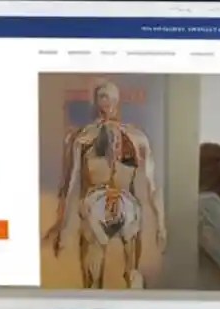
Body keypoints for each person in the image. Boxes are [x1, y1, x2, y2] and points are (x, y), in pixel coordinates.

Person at [46, 79, 166, 289]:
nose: (106, 104)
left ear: (116, 102)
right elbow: (70, 183)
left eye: (109, 98)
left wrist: (161, 224)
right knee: (98, 277)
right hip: (100, 204)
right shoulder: (83, 138)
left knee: (130, 274)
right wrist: (61, 226)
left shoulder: (135, 138)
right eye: (103, 97)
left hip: (117, 204)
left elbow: (152, 186)